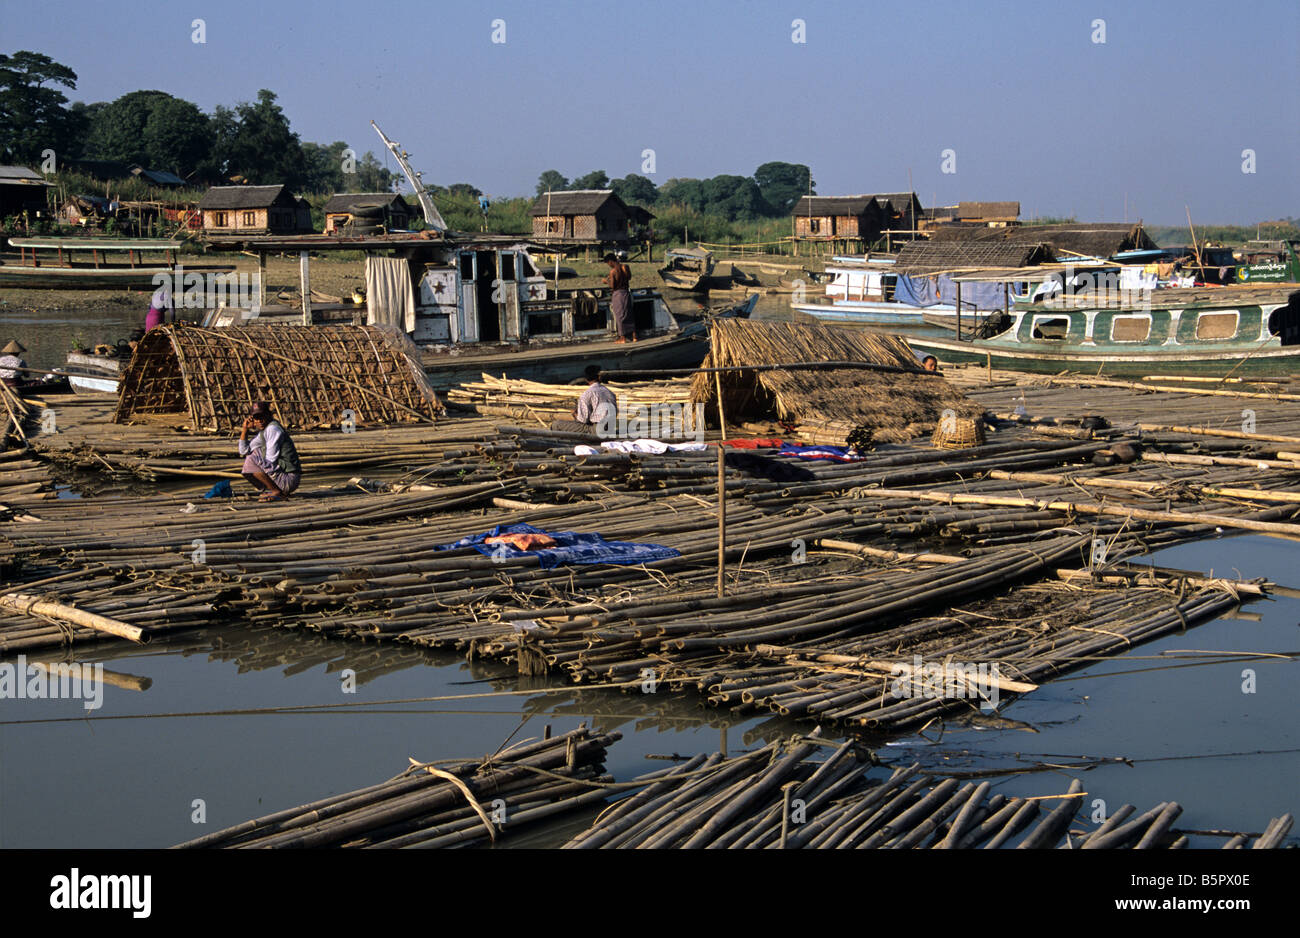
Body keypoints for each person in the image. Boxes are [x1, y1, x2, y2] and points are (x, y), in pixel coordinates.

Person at [238, 401, 301, 501]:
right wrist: (245, 429)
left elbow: (270, 459)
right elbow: (244, 451)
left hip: (289, 479)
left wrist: (254, 462)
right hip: (281, 477)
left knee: (251, 459)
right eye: (257, 418)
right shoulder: (264, 431)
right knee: (252, 454)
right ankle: (276, 489)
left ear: (268, 415)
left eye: (262, 416)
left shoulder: (273, 429)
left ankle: (276, 491)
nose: (260, 421)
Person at [551, 364, 617, 436]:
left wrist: (575, 415)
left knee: (556, 424)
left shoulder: (587, 394)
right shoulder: (610, 392)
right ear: (599, 378)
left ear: (586, 379)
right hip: (610, 429)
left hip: (597, 431)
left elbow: (582, 420)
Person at [603, 253, 635, 343]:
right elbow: (629, 278)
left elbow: (613, 286)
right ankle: (634, 336)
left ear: (610, 261)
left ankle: (622, 338)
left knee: (619, 315)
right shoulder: (625, 267)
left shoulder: (613, 271)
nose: (608, 265)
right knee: (628, 314)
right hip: (626, 292)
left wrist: (606, 281)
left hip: (618, 294)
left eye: (608, 263)